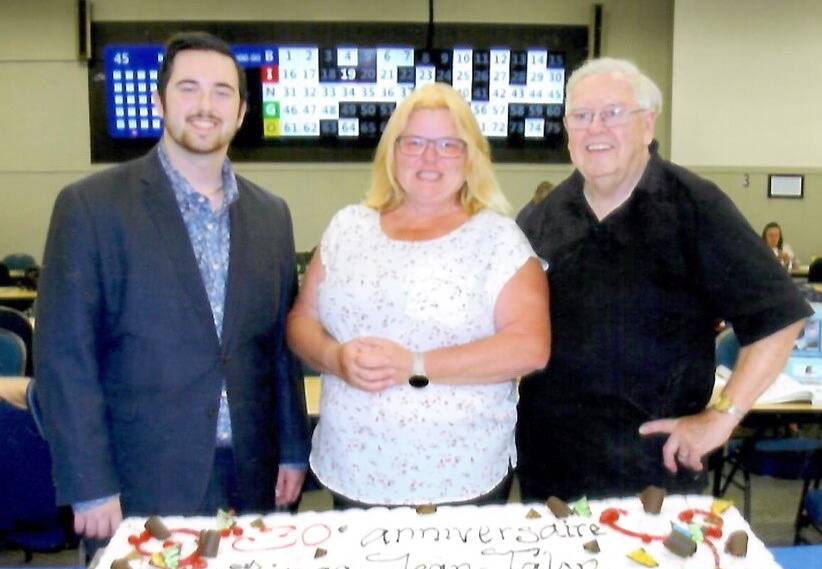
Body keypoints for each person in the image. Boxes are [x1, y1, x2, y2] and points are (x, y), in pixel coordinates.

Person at [34, 32, 310, 542]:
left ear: (242, 112)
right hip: (139, 479)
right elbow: (64, 358)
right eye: (188, 88)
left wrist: (293, 448)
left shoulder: (272, 215)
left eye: (222, 92)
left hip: (251, 474)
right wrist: (89, 483)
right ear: (159, 101)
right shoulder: (91, 207)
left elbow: (278, 348)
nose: (206, 106)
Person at [515, 57, 811, 502]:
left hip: (655, 472)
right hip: (549, 472)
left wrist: (723, 416)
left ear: (647, 123)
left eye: (613, 113)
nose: (595, 128)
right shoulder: (541, 217)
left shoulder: (697, 208)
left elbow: (780, 319)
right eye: (581, 116)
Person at [287, 82, 550, 508]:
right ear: (391, 153)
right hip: (353, 467)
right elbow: (301, 323)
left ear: (471, 158)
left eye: (449, 144)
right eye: (414, 143)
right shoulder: (347, 228)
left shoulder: (498, 239)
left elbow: (529, 348)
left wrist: (414, 364)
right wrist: (336, 358)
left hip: (460, 476)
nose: (430, 158)